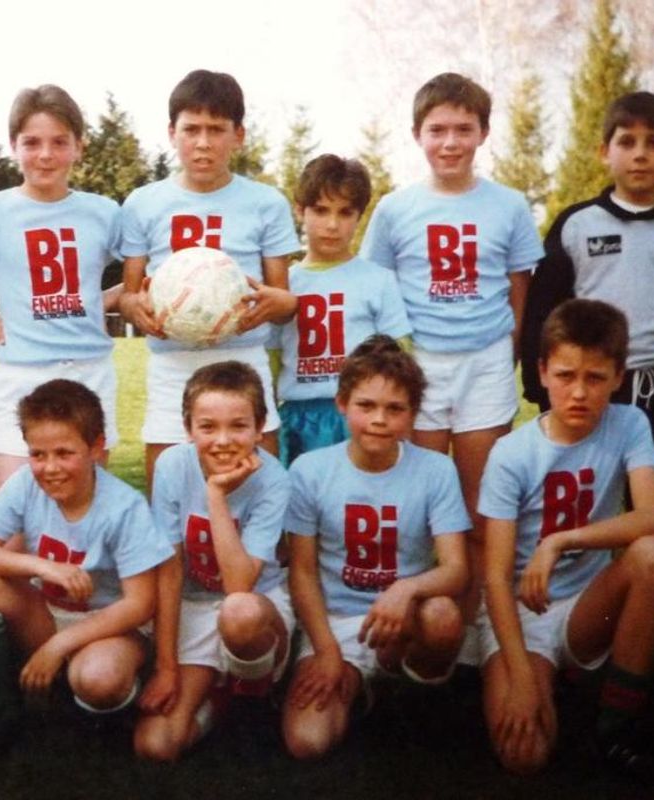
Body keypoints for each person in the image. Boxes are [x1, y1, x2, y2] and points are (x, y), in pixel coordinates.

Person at [358, 72, 543, 660]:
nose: (450, 141)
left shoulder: (509, 204)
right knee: (418, 493)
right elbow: (377, 288)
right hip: (420, 365)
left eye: (464, 129)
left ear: (483, 133)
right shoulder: (394, 210)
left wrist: (508, 356)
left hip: (486, 360)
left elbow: (520, 292)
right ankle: (415, 613)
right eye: (437, 129)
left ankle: (471, 628)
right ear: (417, 135)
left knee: (481, 498)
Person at [520, 91, 654, 567]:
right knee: (585, 499)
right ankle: (580, 608)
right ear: (605, 151)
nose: (640, 153)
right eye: (627, 141)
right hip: (591, 385)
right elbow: (542, 313)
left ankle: (649, 624)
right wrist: (542, 394)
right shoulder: (576, 225)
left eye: (653, 142)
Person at [479, 299, 654, 776]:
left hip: (588, 604)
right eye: (566, 376)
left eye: (595, 377)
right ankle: (543, 677)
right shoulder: (512, 454)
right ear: (543, 372)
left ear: (618, 376)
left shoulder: (629, 423)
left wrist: (560, 541)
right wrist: (522, 678)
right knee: (524, 757)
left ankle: (616, 725)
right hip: (524, 611)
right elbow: (496, 579)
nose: (579, 393)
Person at [0, 379, 173, 750]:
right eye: (38, 454)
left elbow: (140, 603)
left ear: (97, 447)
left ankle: (104, 712)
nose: (50, 467)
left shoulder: (124, 506)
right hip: (50, 611)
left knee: (99, 679)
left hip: (112, 626)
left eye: (64, 453)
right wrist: (40, 566)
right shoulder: (25, 484)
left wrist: (60, 646)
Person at [282, 335, 469, 759]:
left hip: (403, 619)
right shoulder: (311, 471)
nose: (380, 420)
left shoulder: (436, 470)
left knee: (442, 616)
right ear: (342, 404)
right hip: (335, 620)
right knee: (306, 743)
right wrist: (327, 651)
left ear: (412, 415)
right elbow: (303, 572)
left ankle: (404, 689)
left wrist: (405, 590)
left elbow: (457, 570)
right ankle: (354, 682)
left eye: (395, 409)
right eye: (366, 406)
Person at [118, 69, 301, 494]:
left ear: (238, 135)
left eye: (216, 130)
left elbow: (285, 299)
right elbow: (130, 294)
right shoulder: (143, 203)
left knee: (259, 491)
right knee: (168, 494)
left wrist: (273, 302)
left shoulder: (265, 203)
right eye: (191, 129)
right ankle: (174, 564)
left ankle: (261, 562)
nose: (203, 142)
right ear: (171, 132)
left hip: (242, 360)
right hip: (172, 361)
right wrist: (135, 308)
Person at [0, 85, 122, 492]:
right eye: (32, 142)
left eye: (59, 142)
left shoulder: (104, 212)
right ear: (13, 145)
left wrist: (101, 304)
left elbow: (140, 273)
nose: (45, 154)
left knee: (87, 510)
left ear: (79, 146)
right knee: (12, 515)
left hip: (90, 372)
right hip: (21, 373)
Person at [134, 361, 293, 761]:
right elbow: (169, 573)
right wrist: (167, 666)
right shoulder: (171, 465)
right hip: (195, 601)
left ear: (260, 428)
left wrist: (217, 496)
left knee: (239, 612)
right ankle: (218, 700)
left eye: (238, 426)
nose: (223, 440)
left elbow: (240, 584)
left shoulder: (273, 478)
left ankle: (252, 702)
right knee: (156, 745)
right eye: (208, 427)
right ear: (188, 429)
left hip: (257, 607)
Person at [271, 155, 411, 466]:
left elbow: (401, 361)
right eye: (320, 211)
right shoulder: (283, 284)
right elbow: (271, 361)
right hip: (300, 419)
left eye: (345, 213)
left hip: (358, 417)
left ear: (359, 216)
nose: (332, 225)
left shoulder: (378, 280)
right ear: (299, 210)